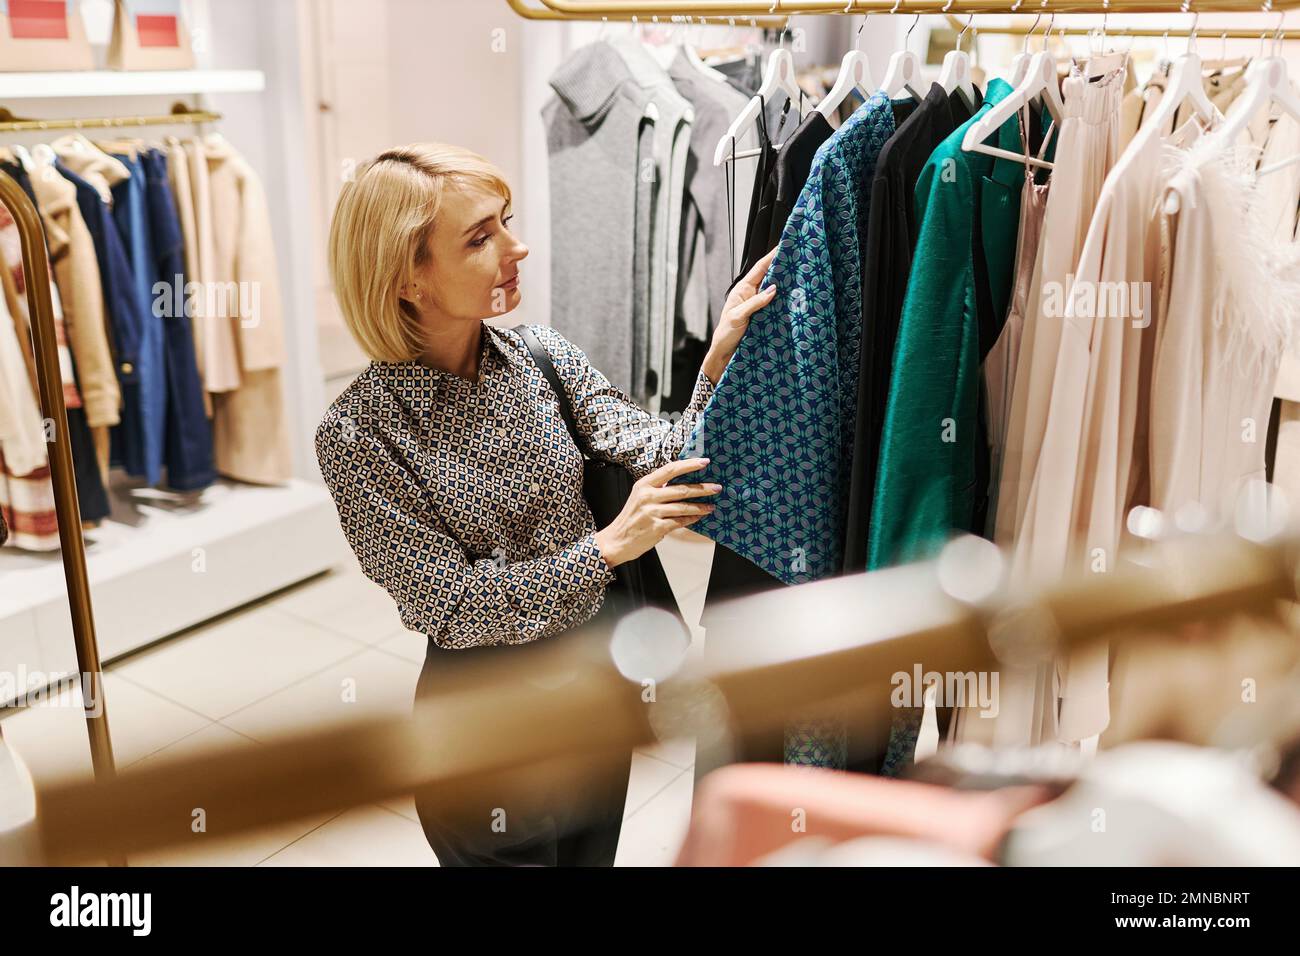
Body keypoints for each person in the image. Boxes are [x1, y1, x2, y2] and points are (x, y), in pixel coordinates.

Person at [315, 142, 777, 866]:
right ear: (409, 278)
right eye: (481, 236)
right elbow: (450, 606)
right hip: (483, 728)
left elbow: (666, 453)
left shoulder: (540, 356)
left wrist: (717, 357)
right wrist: (605, 550)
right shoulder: (359, 433)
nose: (516, 245)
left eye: (506, 221)